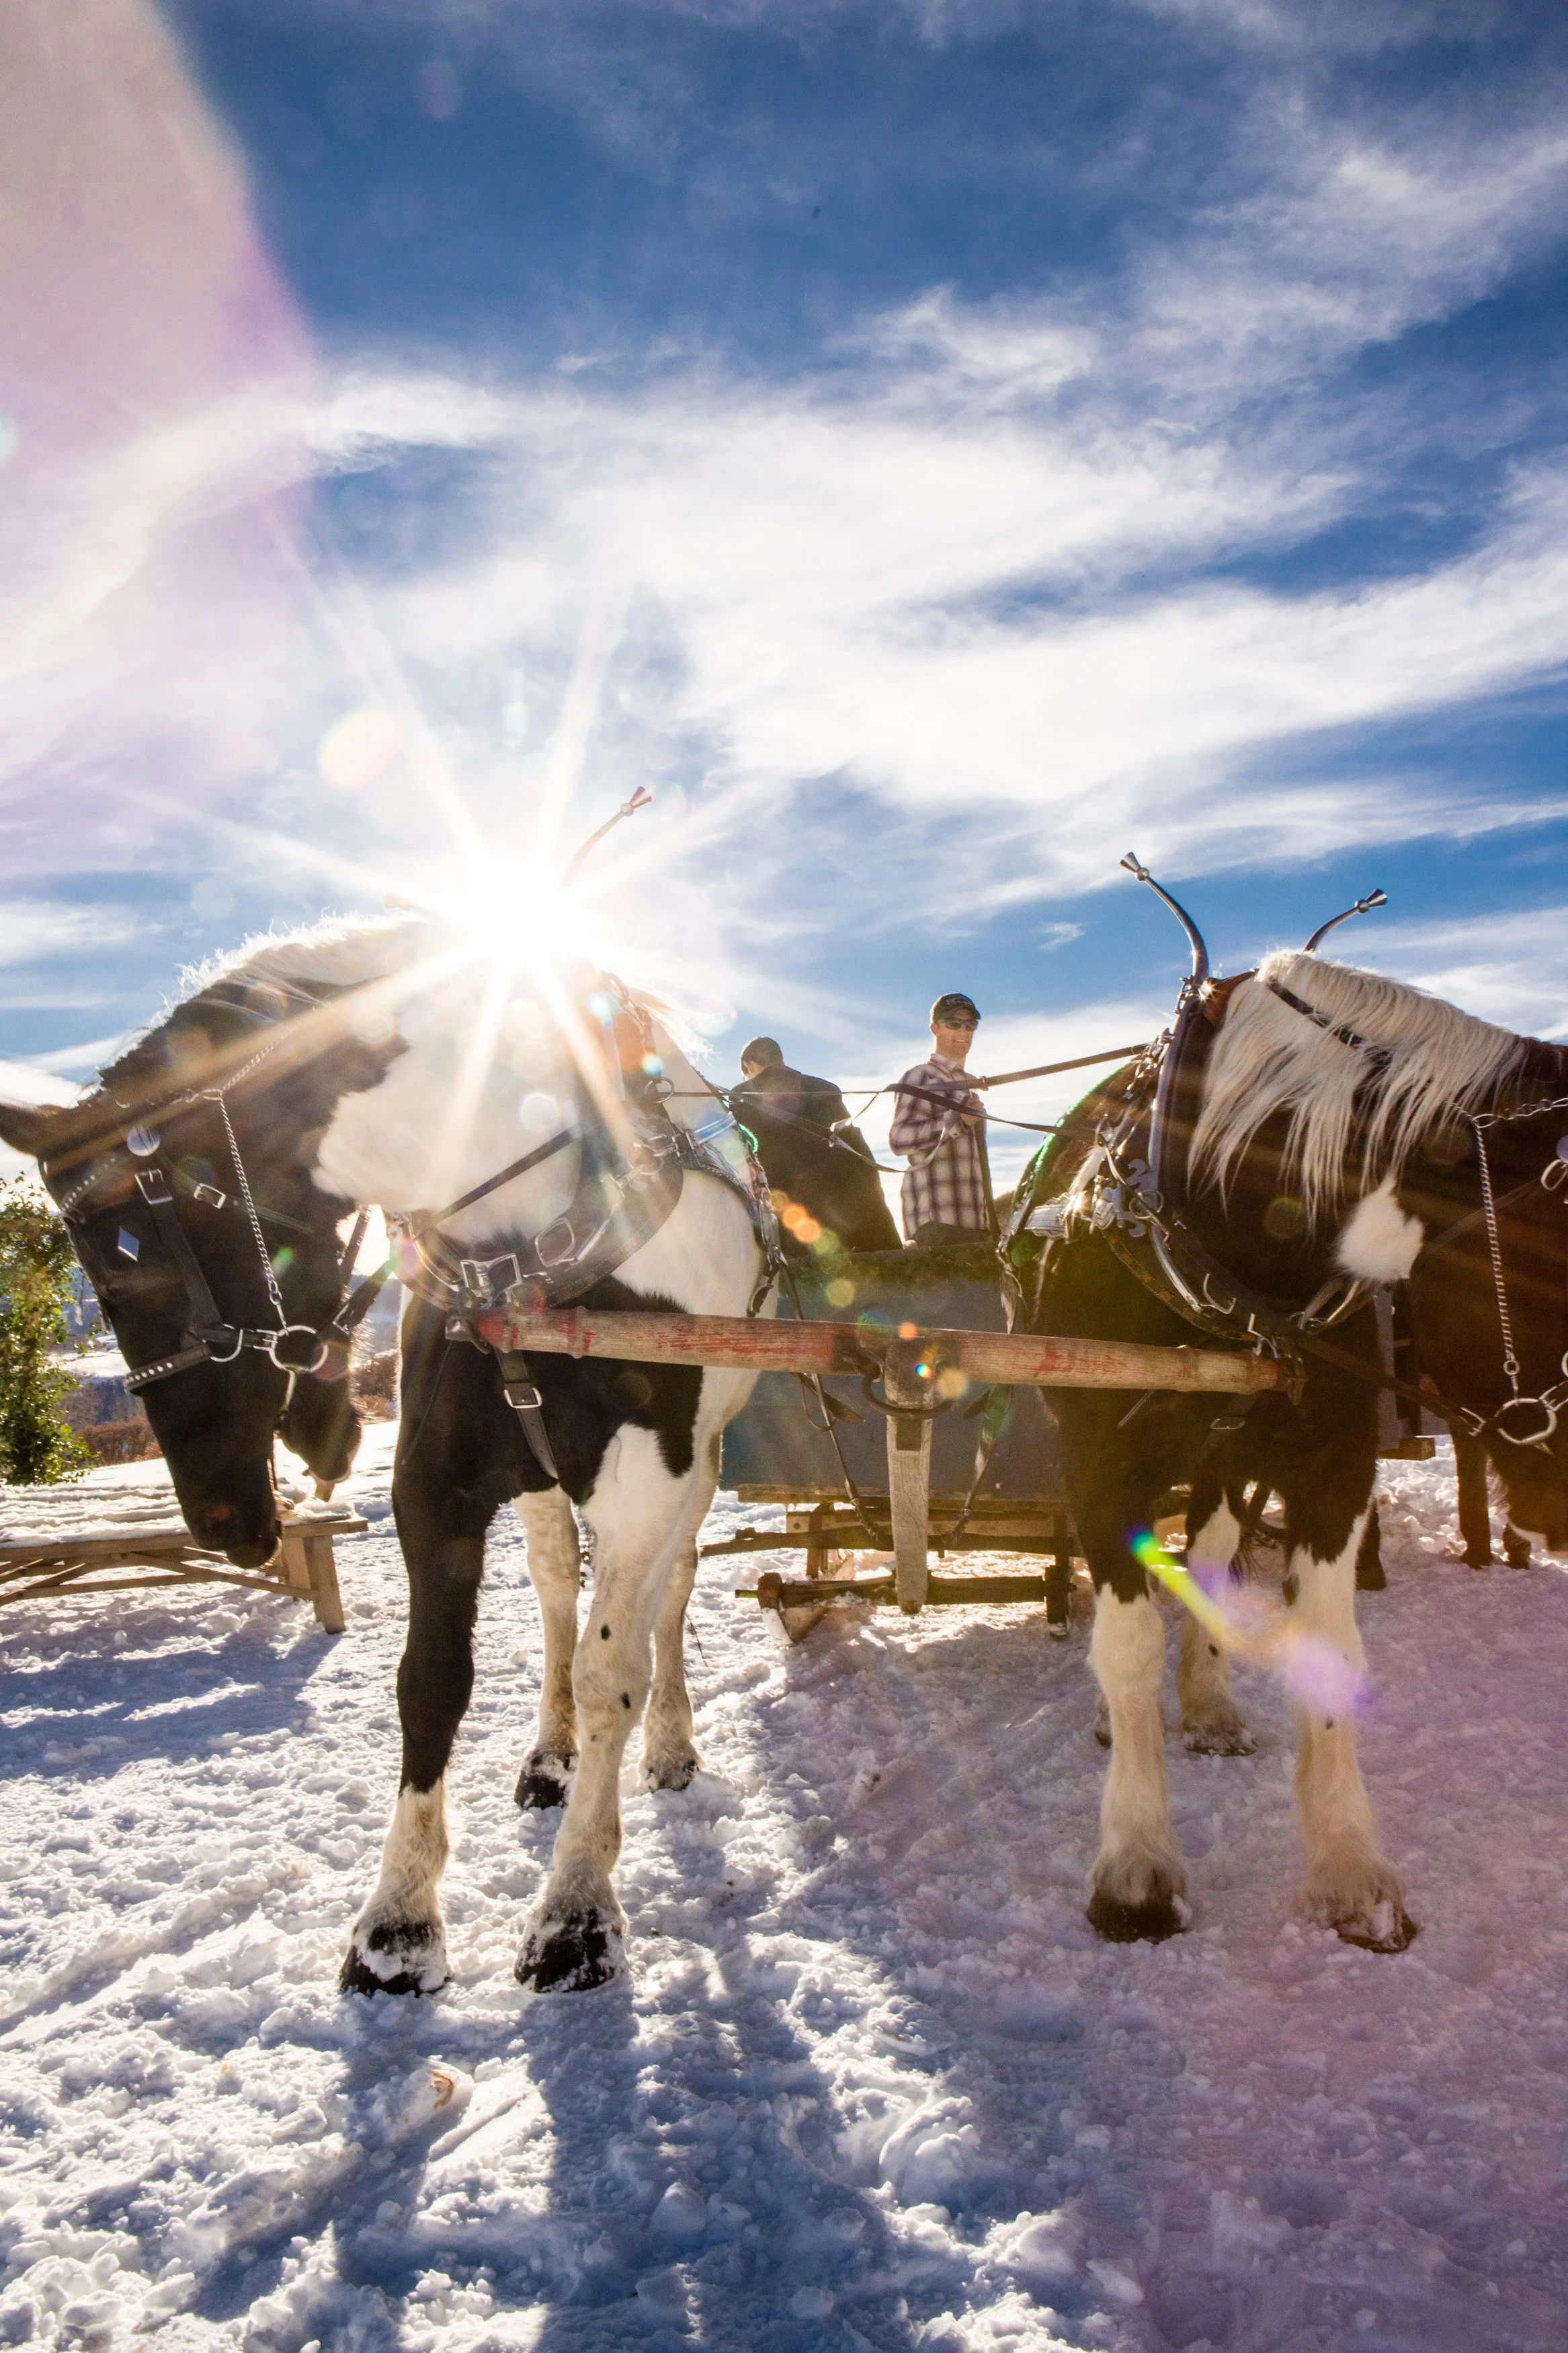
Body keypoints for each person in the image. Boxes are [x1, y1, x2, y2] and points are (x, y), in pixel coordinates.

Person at [734, 1037, 900, 1255]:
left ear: (749, 1065)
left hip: (794, 1229)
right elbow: (860, 1155)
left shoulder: (741, 1097)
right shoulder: (825, 1088)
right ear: (780, 1059)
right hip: (854, 1220)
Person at [889, 992, 993, 1246]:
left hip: (978, 1225)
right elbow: (899, 1140)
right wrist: (958, 1123)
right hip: (937, 1226)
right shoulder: (922, 1077)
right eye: (954, 1024)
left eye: (970, 1025)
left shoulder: (968, 1085)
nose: (964, 1031)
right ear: (935, 1029)